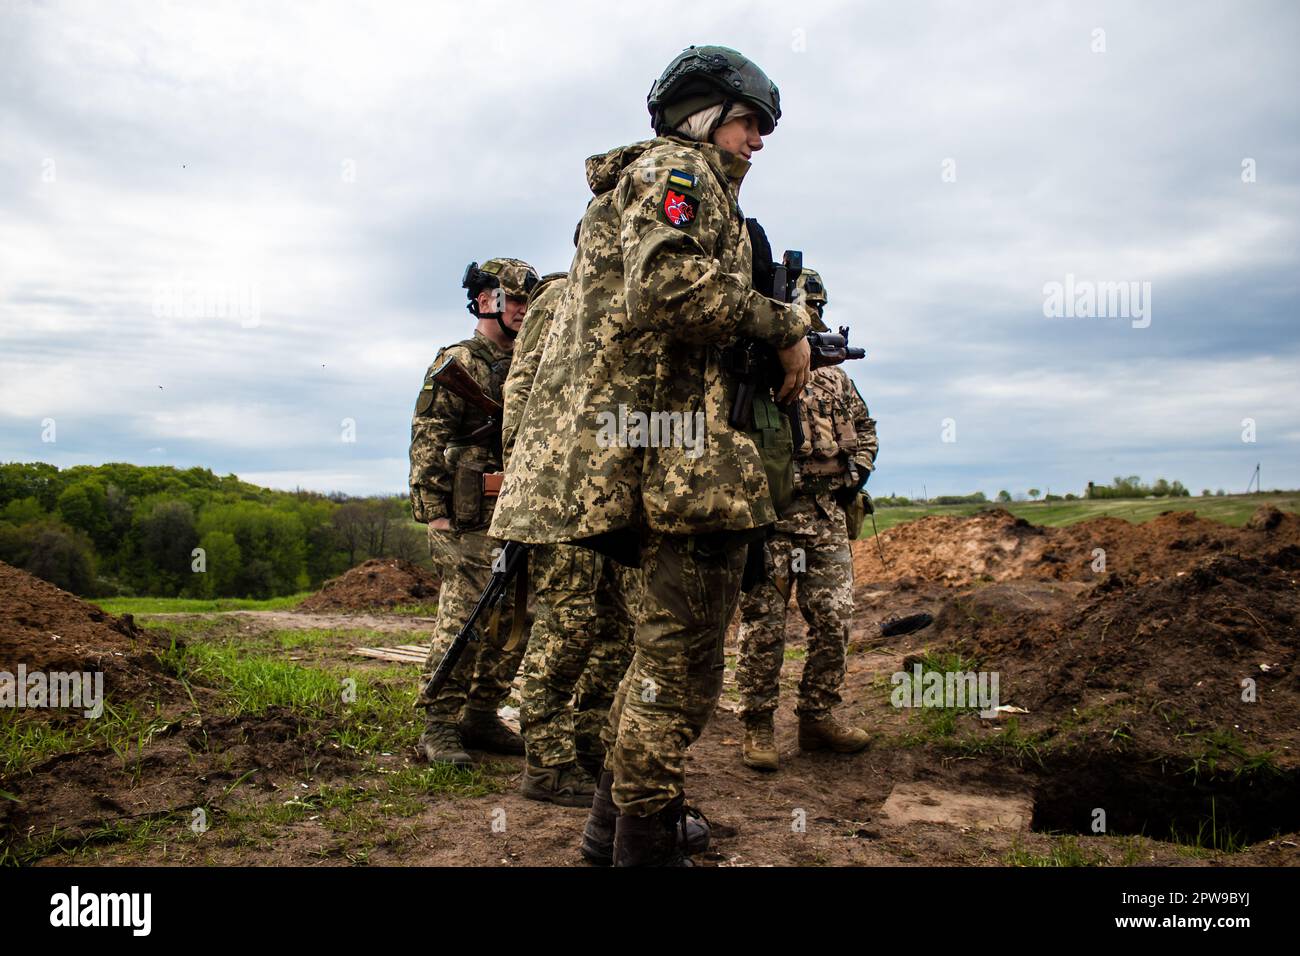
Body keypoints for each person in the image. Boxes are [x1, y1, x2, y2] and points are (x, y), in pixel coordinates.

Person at [490, 45, 811, 865]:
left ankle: (618, 826)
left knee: (662, 651)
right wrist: (786, 327)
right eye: (750, 123)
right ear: (702, 114)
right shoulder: (680, 174)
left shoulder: (640, 186)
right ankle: (642, 841)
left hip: (648, 457)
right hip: (678, 466)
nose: (759, 141)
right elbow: (668, 291)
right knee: (682, 661)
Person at [501, 271, 638, 806]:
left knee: (618, 628)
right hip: (561, 491)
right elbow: (522, 388)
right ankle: (547, 764)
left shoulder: (642, 295)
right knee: (568, 625)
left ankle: (587, 744)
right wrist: (529, 486)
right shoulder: (560, 297)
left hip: (617, 496)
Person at [736, 268, 879, 771]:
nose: (812, 317)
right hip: (773, 520)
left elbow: (865, 430)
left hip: (827, 517)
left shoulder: (838, 378)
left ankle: (818, 716)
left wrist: (855, 474)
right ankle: (756, 724)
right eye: (804, 307)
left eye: (816, 308)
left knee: (835, 620)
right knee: (764, 626)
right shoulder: (756, 371)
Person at [409, 257, 539, 766]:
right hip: (464, 516)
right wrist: (435, 514)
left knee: (515, 618)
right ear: (487, 301)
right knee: (464, 616)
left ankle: (482, 713)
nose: (526, 311)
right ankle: (439, 722)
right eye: (518, 300)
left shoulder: (533, 362)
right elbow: (428, 440)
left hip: (517, 512)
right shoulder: (459, 362)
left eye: (532, 301)